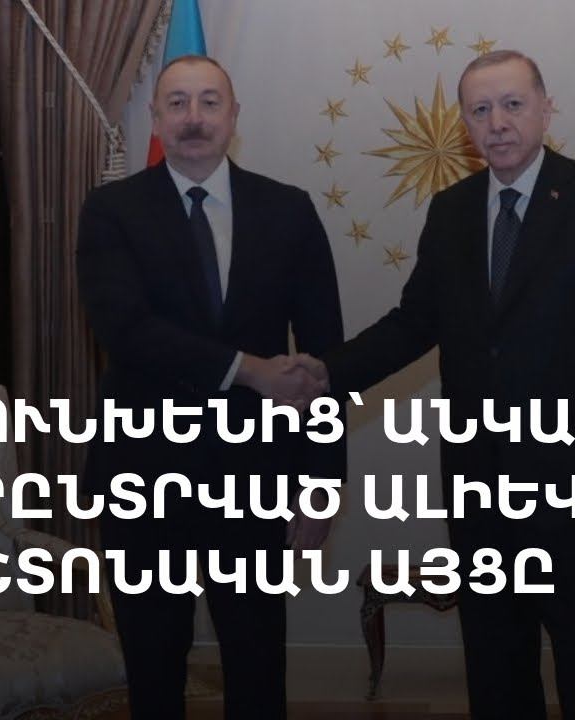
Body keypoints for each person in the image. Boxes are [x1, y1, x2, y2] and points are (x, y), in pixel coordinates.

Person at [293, 50, 575, 719]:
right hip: (481, 487)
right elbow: (415, 322)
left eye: (513, 105)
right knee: (496, 673)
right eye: (481, 110)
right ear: (465, 124)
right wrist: (328, 372)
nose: (498, 123)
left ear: (546, 109)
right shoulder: (452, 211)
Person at [76, 55, 344, 719]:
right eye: (177, 103)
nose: (193, 118)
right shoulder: (111, 211)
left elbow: (323, 359)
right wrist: (249, 369)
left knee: (257, 665)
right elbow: (125, 330)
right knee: (153, 667)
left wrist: (322, 481)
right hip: (142, 475)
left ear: (234, 116)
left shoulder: (288, 210)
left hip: (255, 478)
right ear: (156, 118)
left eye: (209, 102)